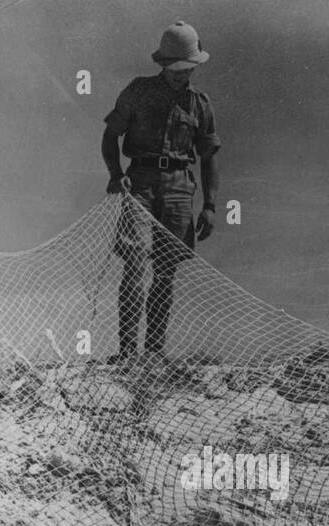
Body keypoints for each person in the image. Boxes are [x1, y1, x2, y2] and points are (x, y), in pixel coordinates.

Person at [101, 21, 221, 361]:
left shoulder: (199, 104)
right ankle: (127, 353)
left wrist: (210, 205)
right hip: (139, 184)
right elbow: (111, 136)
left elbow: (209, 157)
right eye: (177, 69)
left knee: (166, 270)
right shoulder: (137, 92)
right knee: (135, 264)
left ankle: (154, 352)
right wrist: (115, 174)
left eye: (189, 69)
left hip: (179, 188)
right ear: (164, 64)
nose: (183, 75)